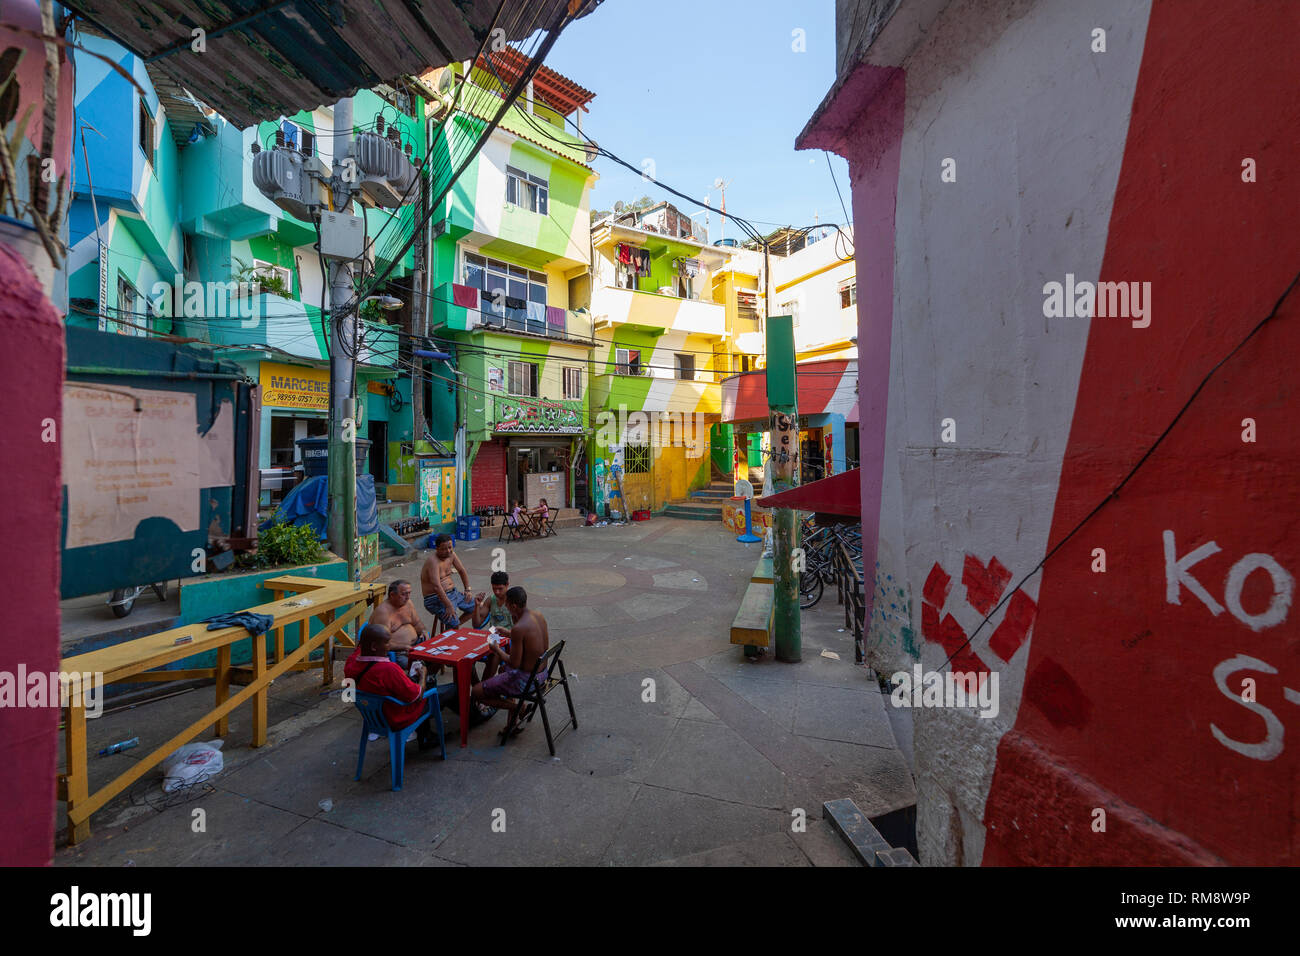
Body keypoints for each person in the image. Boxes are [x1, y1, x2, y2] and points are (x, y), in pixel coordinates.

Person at [344, 623, 448, 751]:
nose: (389, 647)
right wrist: (423, 675)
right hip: (396, 717)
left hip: (372, 717)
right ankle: (427, 737)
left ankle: (426, 735)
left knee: (414, 681)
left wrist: (402, 648)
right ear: (374, 646)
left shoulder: (351, 662)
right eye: (387, 643)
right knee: (446, 690)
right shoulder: (387, 670)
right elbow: (417, 696)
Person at [471, 586, 549, 729]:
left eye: (507, 605)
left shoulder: (519, 628)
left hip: (527, 681)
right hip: (543, 674)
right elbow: (538, 645)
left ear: (513, 606)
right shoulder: (538, 615)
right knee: (502, 670)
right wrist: (509, 633)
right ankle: (511, 724)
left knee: (476, 692)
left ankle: (515, 707)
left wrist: (496, 649)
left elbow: (513, 663)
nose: (506, 608)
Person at [368, 580, 428, 668]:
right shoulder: (383, 613)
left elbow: (417, 622)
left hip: (416, 644)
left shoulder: (408, 603)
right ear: (392, 595)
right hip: (398, 652)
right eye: (403, 594)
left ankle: (429, 678)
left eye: (409, 593)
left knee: (438, 657)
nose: (407, 597)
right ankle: (420, 679)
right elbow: (382, 643)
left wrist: (423, 630)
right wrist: (404, 647)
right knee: (418, 666)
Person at [421, 534, 474, 632]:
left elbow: (462, 570)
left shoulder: (452, 555)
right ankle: (452, 630)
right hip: (434, 598)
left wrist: (467, 589)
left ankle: (451, 630)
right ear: (437, 548)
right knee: (453, 621)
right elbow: (437, 586)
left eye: (450, 547)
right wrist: (448, 605)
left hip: (452, 593)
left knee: (475, 607)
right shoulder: (433, 561)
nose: (448, 551)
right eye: (444, 549)